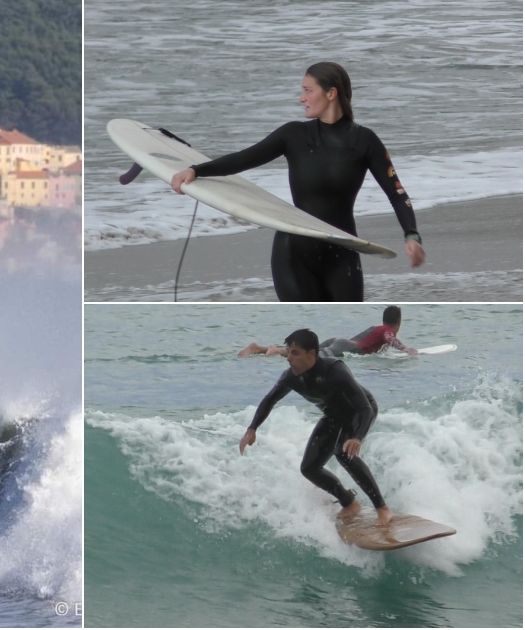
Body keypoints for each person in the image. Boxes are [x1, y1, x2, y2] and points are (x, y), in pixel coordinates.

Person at [169, 62, 426, 302]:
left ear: (331, 93)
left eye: (307, 90)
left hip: (342, 250)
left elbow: (397, 193)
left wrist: (412, 236)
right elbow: (243, 159)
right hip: (294, 251)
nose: (301, 98)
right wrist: (196, 170)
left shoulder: (364, 141)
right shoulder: (294, 135)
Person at [239, 329, 394, 526]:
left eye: (295, 353)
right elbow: (269, 400)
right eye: (288, 351)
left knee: (343, 453)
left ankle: (383, 509)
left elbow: (365, 407)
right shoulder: (291, 377)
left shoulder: (335, 370)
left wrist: (356, 437)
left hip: (359, 410)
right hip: (333, 415)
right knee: (309, 468)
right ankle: (349, 503)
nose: (289, 358)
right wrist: (252, 429)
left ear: (311, 354)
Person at [240, 305, 418, 357]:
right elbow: (390, 338)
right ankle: (276, 350)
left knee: (307, 352)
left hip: (340, 342)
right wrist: (406, 349)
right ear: (398, 322)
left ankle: (259, 348)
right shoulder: (387, 330)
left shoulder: (378, 327)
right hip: (345, 347)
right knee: (312, 357)